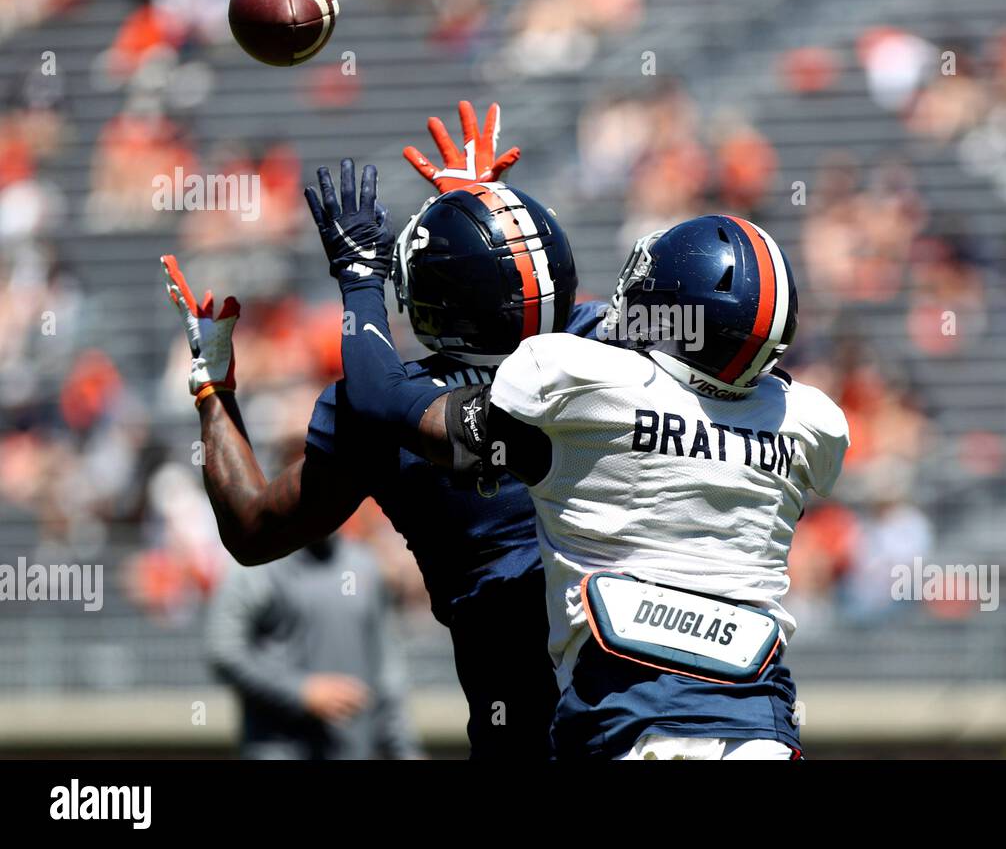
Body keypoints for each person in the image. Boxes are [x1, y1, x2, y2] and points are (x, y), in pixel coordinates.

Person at [306, 162, 851, 759]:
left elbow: (384, 397)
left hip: (631, 723)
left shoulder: (580, 389)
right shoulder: (803, 421)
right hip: (761, 729)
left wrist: (368, 273)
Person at [162, 102, 597, 758]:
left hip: (524, 725)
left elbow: (251, 529)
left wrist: (213, 385)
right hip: (652, 703)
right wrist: (481, 224)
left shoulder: (380, 415)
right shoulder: (610, 360)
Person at [207, 535, 420, 760]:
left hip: (351, 750)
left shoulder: (364, 567)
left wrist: (405, 750)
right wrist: (300, 690)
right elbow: (224, 651)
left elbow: (387, 672)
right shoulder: (256, 564)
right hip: (278, 748)